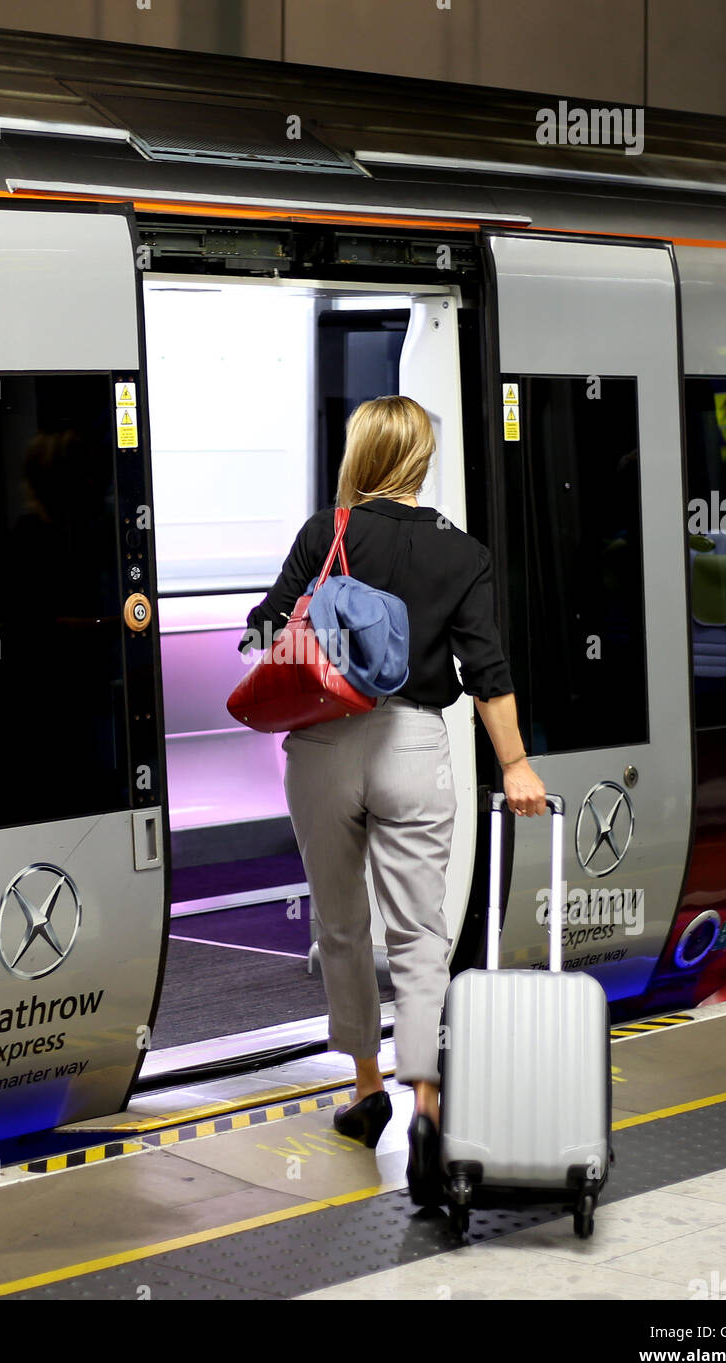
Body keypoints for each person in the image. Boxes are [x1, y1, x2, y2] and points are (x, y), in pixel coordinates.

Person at [237, 396, 546, 1207]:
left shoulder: (328, 531)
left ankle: (365, 1086)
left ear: (362, 454)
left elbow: (266, 626)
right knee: (420, 935)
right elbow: (488, 674)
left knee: (341, 925)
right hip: (413, 746)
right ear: (420, 459)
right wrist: (514, 765)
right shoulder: (463, 554)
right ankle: (427, 1107)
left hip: (325, 743)